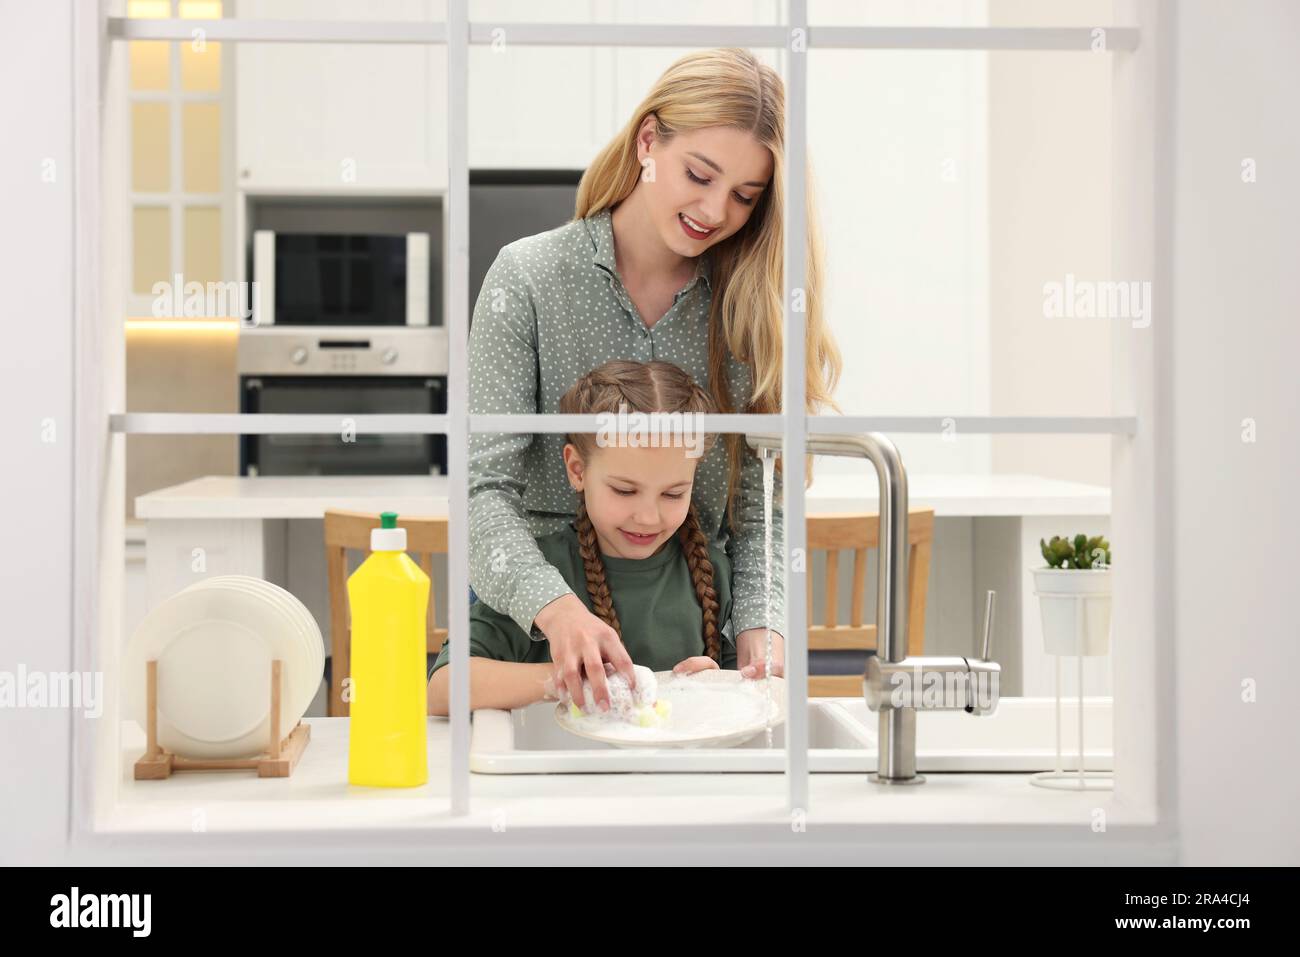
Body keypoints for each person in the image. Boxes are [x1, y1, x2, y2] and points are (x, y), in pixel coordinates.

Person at [465, 47, 841, 711]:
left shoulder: (749, 308)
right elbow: (483, 492)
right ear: (648, 141)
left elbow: (760, 510)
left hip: (693, 642)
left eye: (744, 196)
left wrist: (759, 637)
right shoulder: (526, 280)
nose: (715, 209)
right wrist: (558, 611)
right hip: (535, 642)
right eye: (699, 175)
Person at [428, 361, 737, 714]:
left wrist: (714, 690)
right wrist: (575, 681)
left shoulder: (710, 572)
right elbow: (442, 688)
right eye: (624, 490)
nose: (649, 517)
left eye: (673, 494)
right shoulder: (538, 577)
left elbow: (739, 698)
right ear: (577, 470)